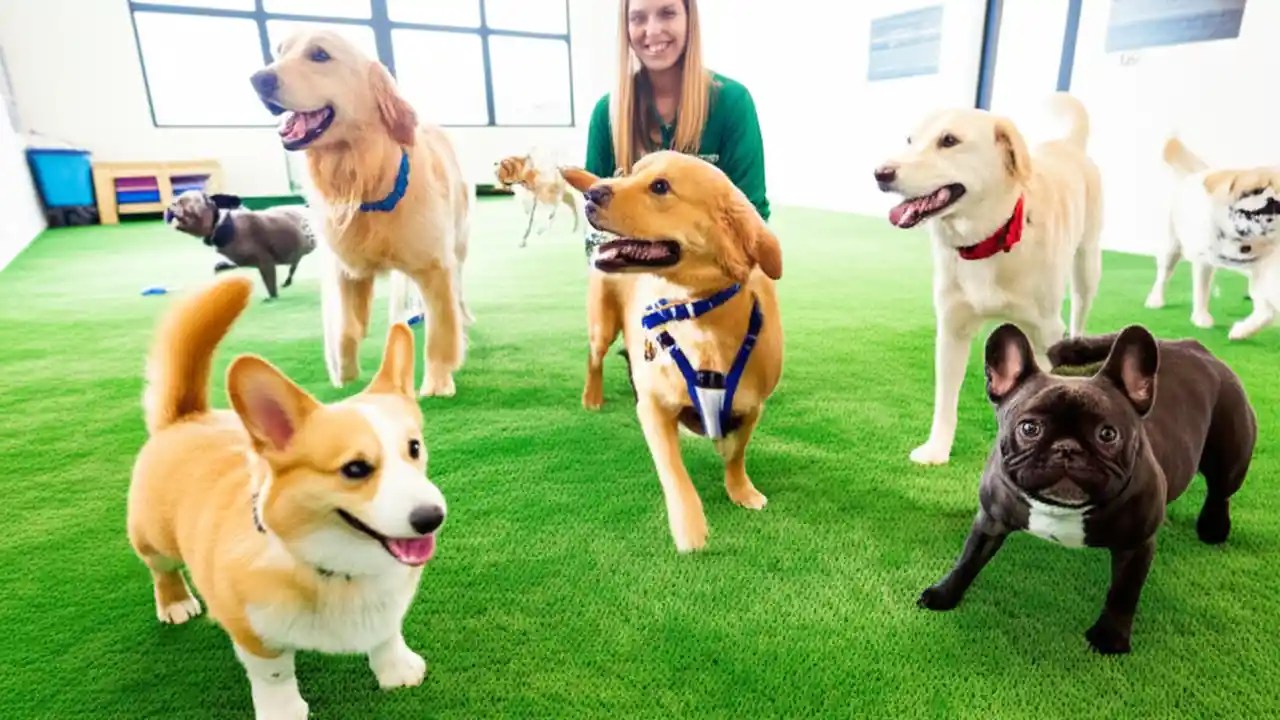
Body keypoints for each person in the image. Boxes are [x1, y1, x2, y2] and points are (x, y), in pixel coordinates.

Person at [583, 0, 770, 241]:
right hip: (629, 274)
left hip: (712, 276)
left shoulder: (732, 102)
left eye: (667, 13)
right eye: (638, 18)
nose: (652, 30)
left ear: (689, 18)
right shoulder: (606, 113)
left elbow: (751, 217)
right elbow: (596, 224)